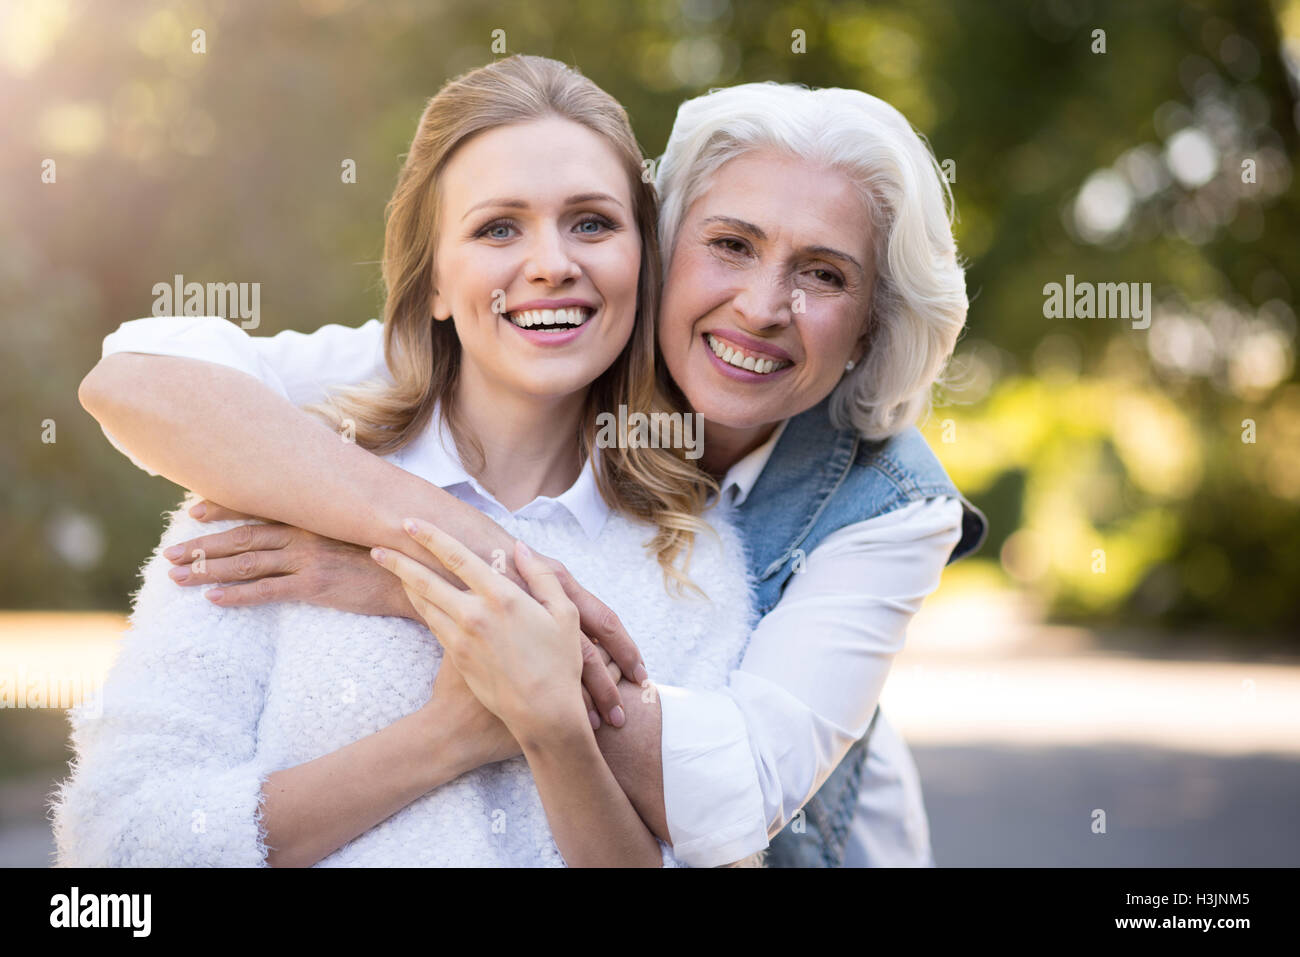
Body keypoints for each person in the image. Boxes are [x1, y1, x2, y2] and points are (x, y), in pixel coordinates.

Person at [78, 74, 988, 867]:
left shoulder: (859, 517)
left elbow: (737, 800)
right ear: (666, 251)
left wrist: (467, 613)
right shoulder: (320, 449)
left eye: (824, 275)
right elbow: (144, 377)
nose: (760, 307)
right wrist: (466, 545)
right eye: (731, 245)